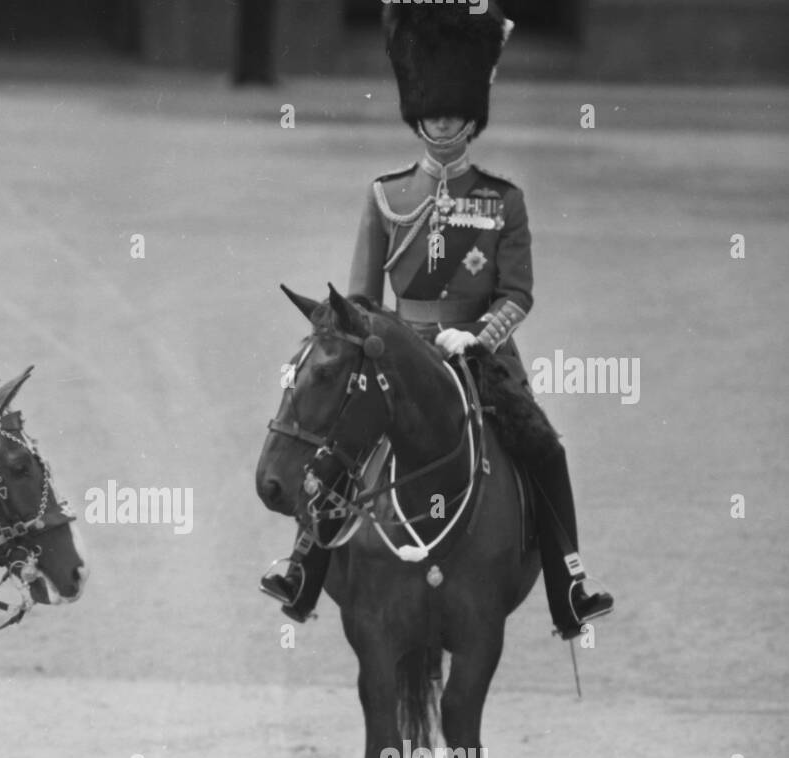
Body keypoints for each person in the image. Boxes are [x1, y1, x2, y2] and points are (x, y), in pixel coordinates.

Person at [260, 4, 613, 641]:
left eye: (454, 111)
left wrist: (478, 336)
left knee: (545, 449)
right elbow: (362, 299)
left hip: (481, 354)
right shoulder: (386, 196)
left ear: (471, 116)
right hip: (395, 352)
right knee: (337, 446)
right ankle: (302, 569)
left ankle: (569, 585)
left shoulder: (503, 199)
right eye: (434, 109)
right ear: (416, 110)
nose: (443, 120)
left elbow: (518, 293)